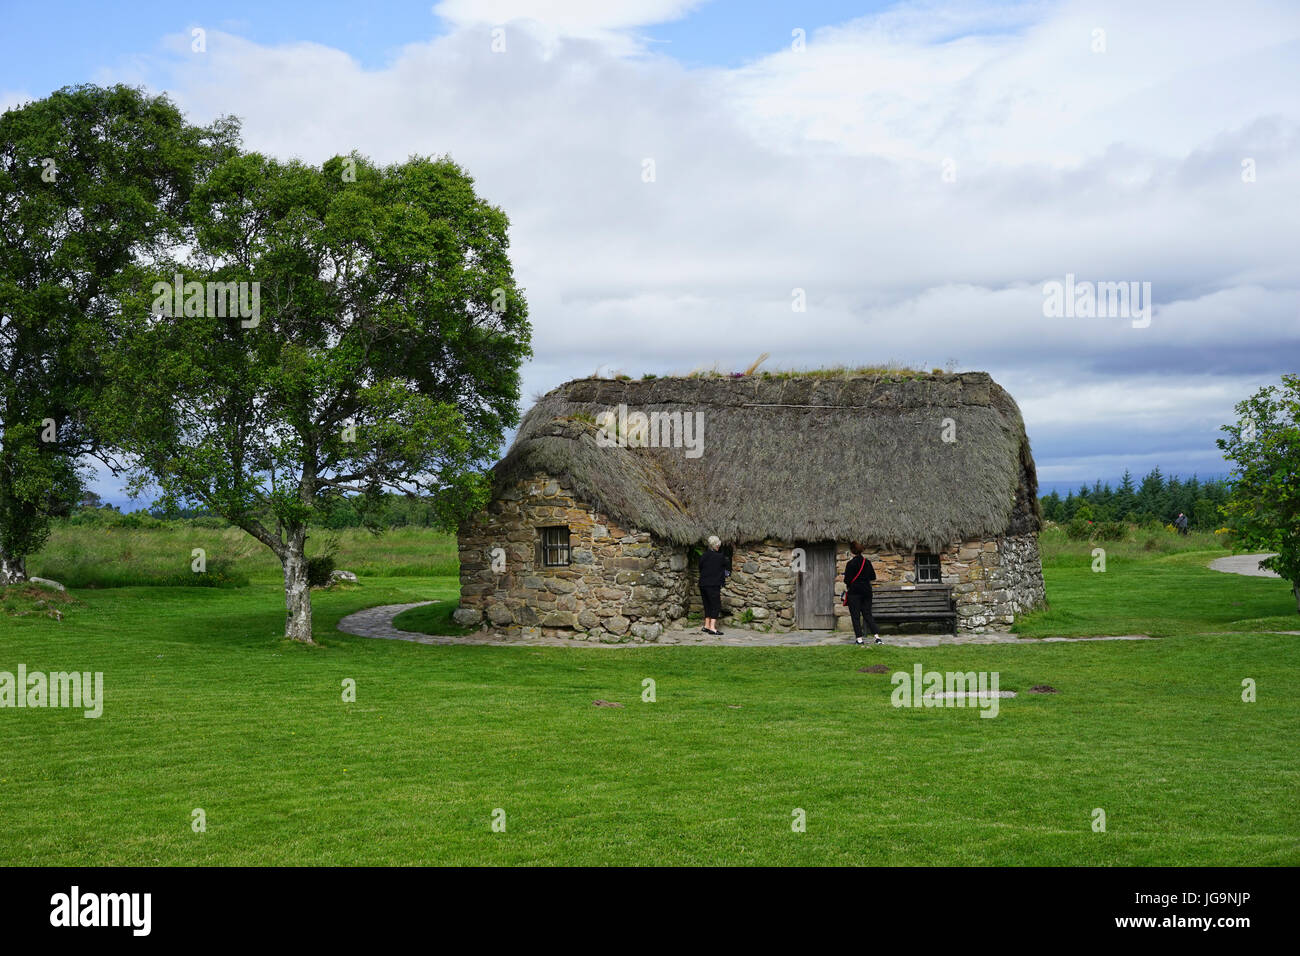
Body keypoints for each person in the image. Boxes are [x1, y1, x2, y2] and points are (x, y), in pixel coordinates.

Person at [844, 542, 881, 645]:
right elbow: (873, 577)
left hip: (854, 593)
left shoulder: (850, 564)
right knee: (867, 614)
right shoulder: (867, 562)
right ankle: (877, 638)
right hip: (866, 592)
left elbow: (846, 580)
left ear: (852, 551)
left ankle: (859, 639)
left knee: (855, 616)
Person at [699, 535, 727, 635]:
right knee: (716, 605)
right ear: (715, 545)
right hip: (713, 584)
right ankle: (712, 628)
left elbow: (700, 567)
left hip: (703, 584)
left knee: (707, 604)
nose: (719, 547)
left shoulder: (704, 555)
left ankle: (706, 626)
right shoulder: (720, 557)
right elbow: (725, 567)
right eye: (718, 545)